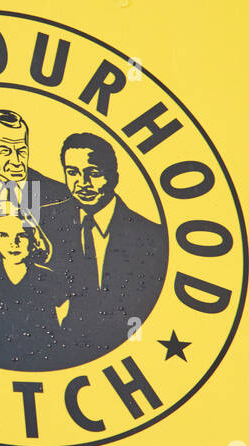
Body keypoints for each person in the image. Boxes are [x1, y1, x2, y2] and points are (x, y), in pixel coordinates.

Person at [50, 132, 168, 360]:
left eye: (93, 173)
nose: (82, 184)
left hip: (133, 353)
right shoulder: (49, 229)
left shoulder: (152, 237)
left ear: (113, 176)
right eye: (72, 172)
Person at [0, 208, 69, 370]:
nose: (14, 243)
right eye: (4, 235)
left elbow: (63, 324)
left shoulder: (49, 279)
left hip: (44, 363)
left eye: (22, 235)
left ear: (33, 238)